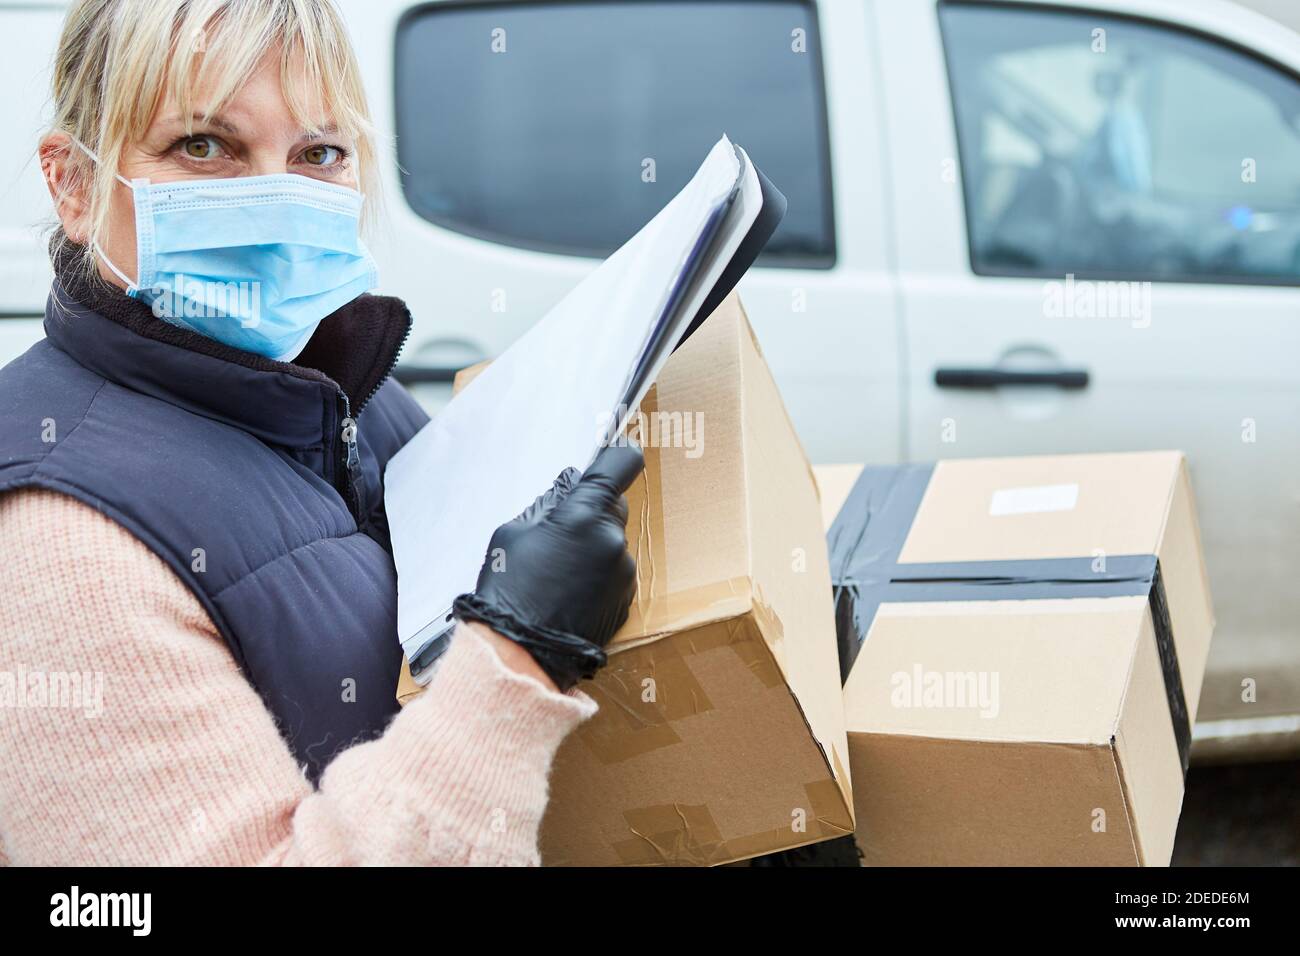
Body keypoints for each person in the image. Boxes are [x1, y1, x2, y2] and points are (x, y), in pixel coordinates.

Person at [0, 0, 641, 866]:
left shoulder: (340, 394)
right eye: (204, 145)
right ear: (73, 185)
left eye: (318, 154)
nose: (277, 196)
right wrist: (516, 660)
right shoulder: (57, 539)